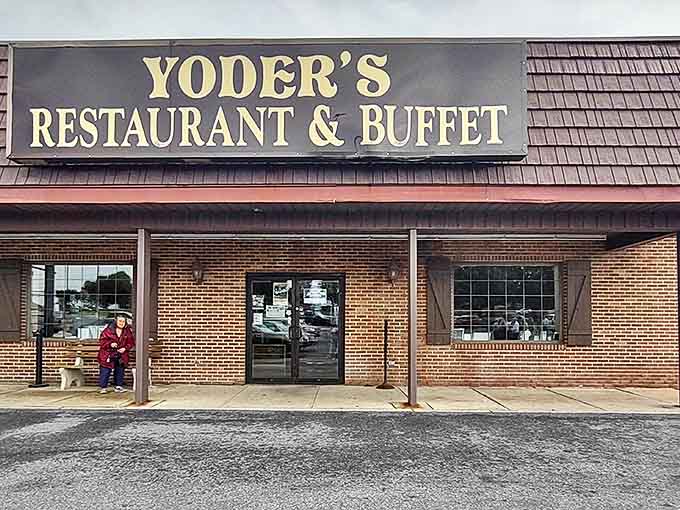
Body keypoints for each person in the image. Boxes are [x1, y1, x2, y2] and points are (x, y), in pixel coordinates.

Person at [97, 314, 135, 394]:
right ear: (116, 322)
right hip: (108, 353)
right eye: (120, 321)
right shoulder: (108, 330)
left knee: (120, 369)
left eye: (123, 321)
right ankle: (103, 387)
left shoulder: (127, 331)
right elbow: (102, 341)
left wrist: (125, 348)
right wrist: (110, 344)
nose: (121, 323)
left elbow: (131, 342)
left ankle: (118, 386)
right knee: (105, 370)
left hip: (121, 354)